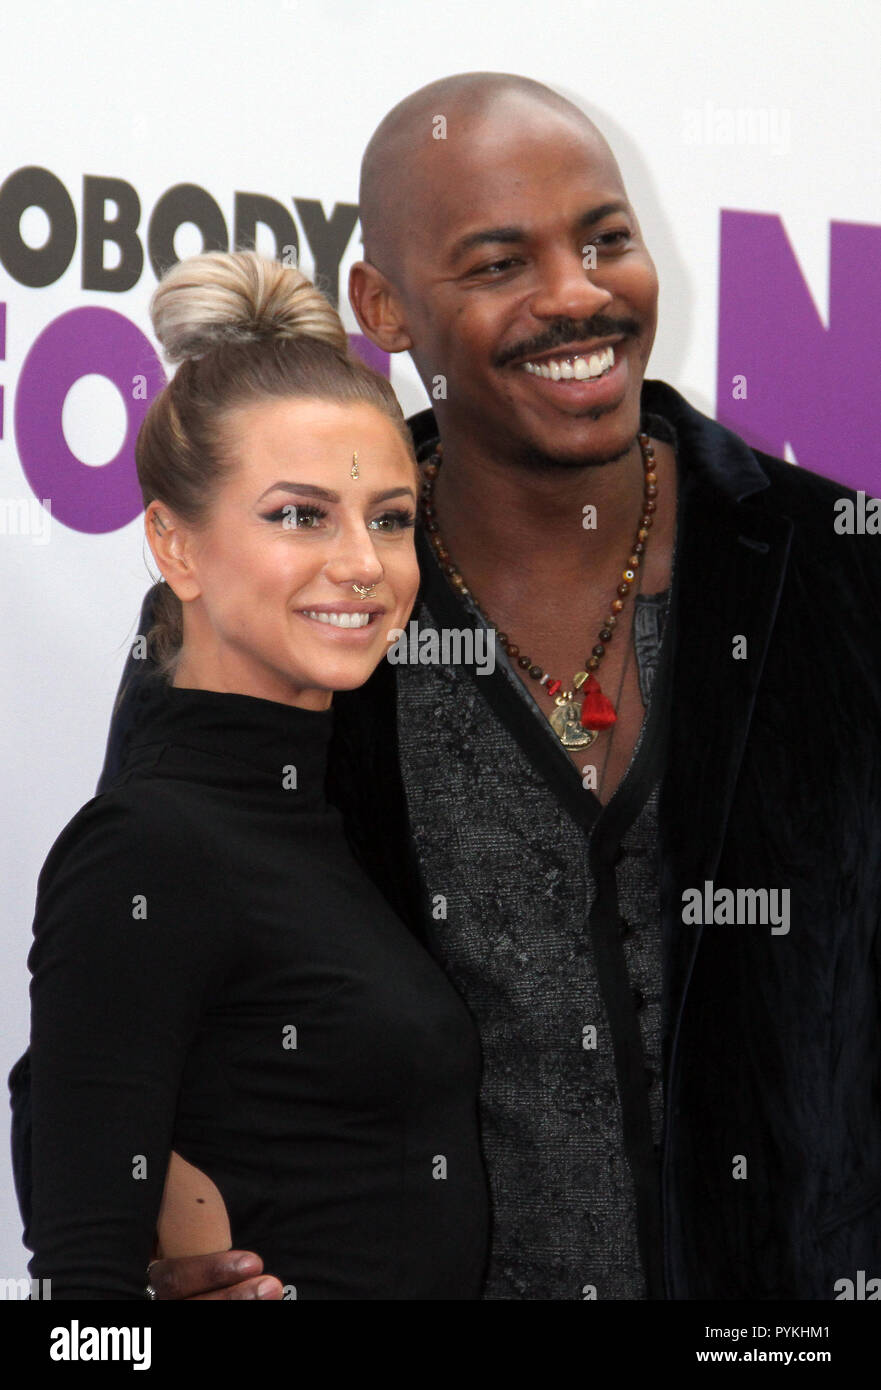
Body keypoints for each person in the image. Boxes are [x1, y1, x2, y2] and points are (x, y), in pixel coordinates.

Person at [11, 71, 881, 1301]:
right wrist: (153, 1265)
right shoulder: (294, 612)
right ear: (384, 304)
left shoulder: (837, 569)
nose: (574, 292)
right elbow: (123, 1017)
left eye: (605, 239)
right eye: (497, 262)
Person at [18, 249, 490, 1299]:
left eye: (390, 519)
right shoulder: (147, 847)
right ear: (174, 546)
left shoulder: (327, 822)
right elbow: (82, 1300)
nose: (362, 564)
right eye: (298, 515)